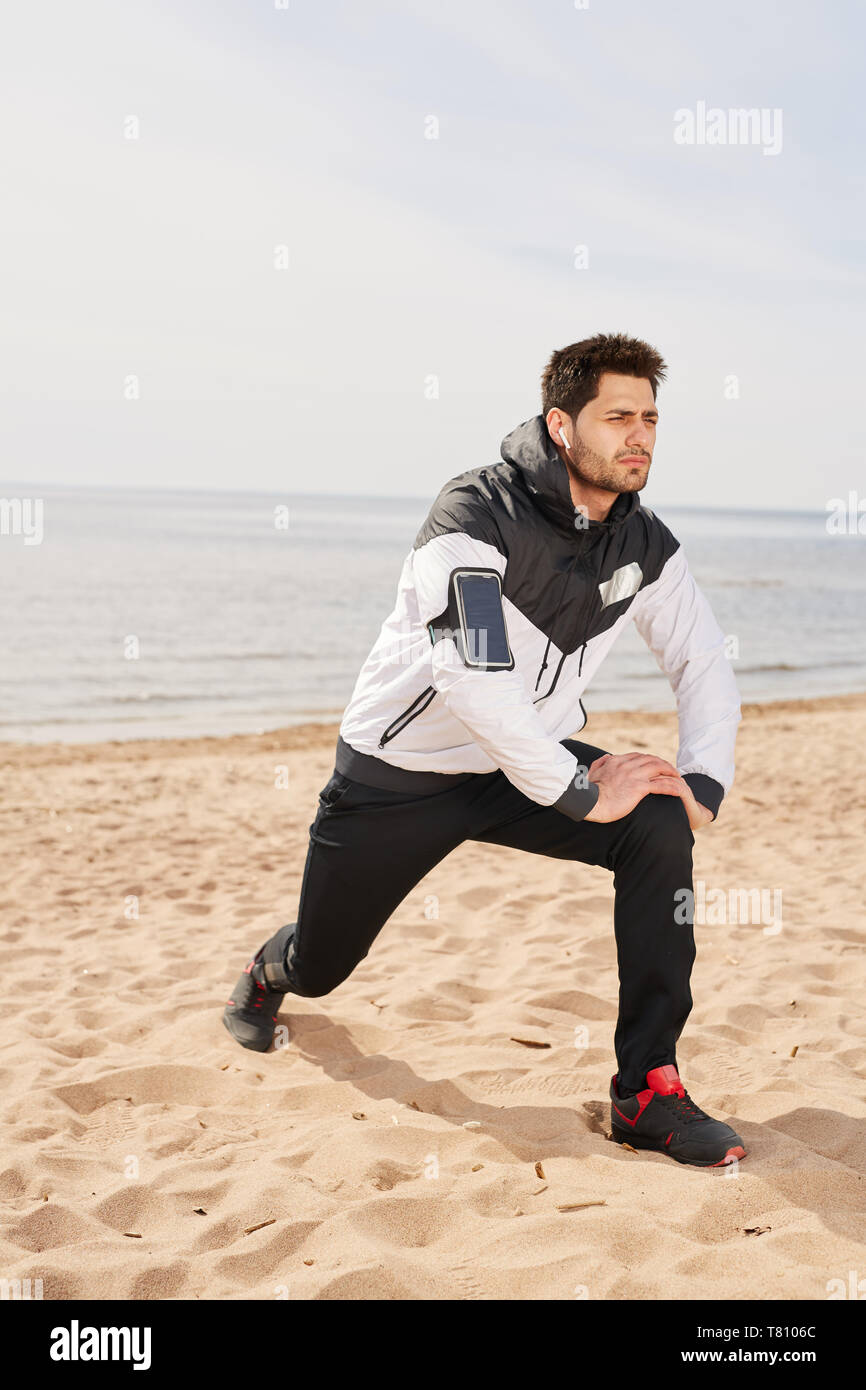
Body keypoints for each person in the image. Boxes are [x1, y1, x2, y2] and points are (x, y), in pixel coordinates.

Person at [223, 332, 746, 1168]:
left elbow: (703, 663)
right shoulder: (472, 514)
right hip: (401, 773)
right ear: (563, 425)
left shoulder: (641, 543)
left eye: (650, 417)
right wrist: (578, 790)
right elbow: (472, 676)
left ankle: (647, 1089)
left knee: (656, 821)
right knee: (324, 963)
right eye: (618, 417)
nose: (640, 434)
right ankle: (268, 970)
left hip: (518, 763)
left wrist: (702, 785)